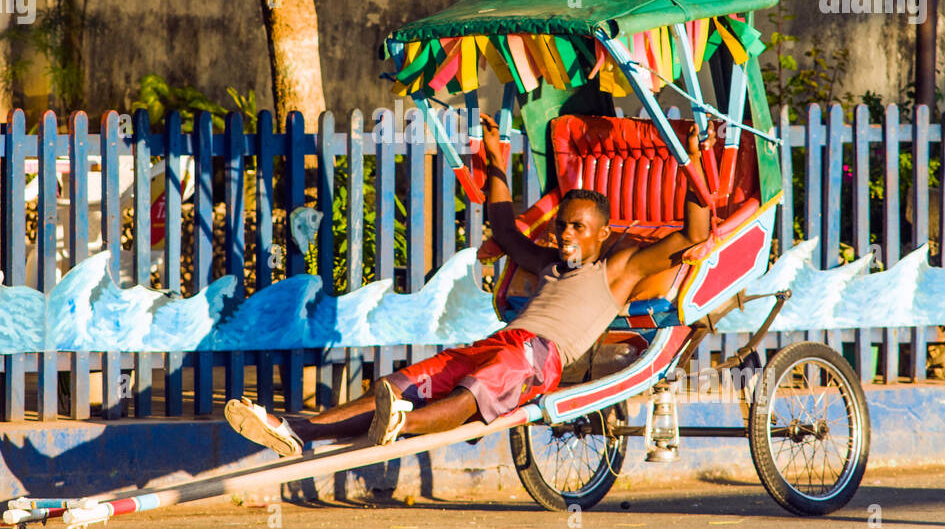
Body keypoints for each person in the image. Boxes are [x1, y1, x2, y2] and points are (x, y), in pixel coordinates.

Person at [225, 112, 714, 457]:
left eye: (578, 227)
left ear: (603, 233)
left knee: (468, 395)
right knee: (395, 384)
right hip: (496, 343)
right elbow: (504, 230)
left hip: (537, 357)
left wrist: (693, 165)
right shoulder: (546, 260)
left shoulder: (618, 269)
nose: (565, 233)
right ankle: (295, 429)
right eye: (563, 223)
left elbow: (692, 233)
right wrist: (497, 163)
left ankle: (405, 423)